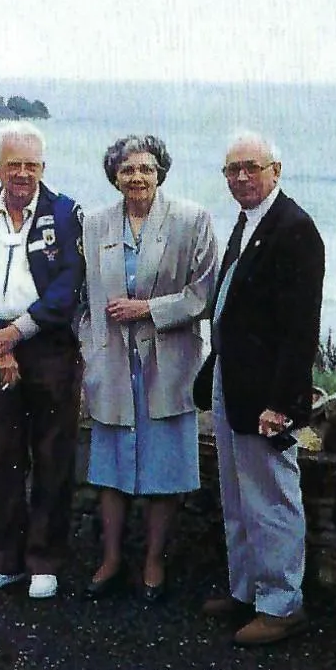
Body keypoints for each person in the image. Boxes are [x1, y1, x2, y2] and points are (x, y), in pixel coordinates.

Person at [193, 129, 324, 646]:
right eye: (232, 170)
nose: (242, 177)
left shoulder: (295, 229)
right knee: (236, 493)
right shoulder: (250, 222)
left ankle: (281, 604)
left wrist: (283, 403)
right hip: (233, 377)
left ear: (276, 170)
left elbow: (300, 329)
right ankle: (245, 589)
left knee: (271, 496)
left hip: (265, 390)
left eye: (252, 167)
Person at [79, 135, 218, 603]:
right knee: (111, 468)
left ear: (161, 171)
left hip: (169, 363)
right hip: (114, 364)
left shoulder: (192, 220)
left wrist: (147, 310)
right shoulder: (94, 224)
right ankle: (111, 558)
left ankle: (154, 561)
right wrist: (90, 351)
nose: (136, 177)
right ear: (113, 175)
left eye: (146, 168)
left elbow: (204, 295)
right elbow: (83, 299)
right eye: (127, 170)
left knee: (164, 469)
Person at [0, 121, 84, 600]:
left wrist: (15, 334)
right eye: (14, 165)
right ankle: (4, 558)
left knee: (53, 455)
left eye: (31, 165)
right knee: (5, 455)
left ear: (43, 168)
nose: (23, 173)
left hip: (49, 348)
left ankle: (45, 560)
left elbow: (69, 286)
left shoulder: (67, 215)